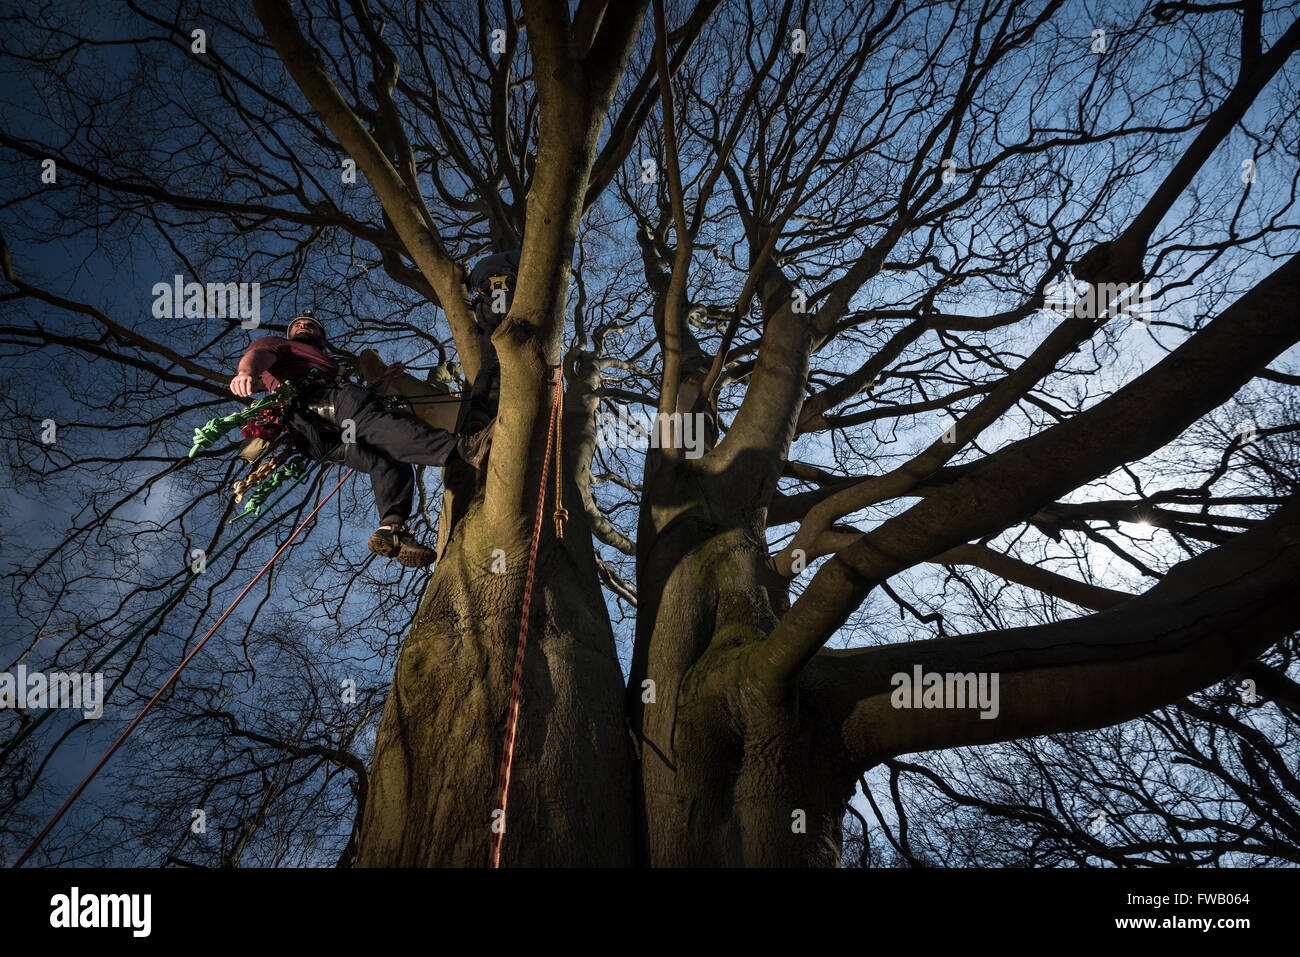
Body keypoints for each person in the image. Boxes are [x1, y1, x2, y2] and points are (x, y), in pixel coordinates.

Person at [229, 313, 494, 569]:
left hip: (316, 437)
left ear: (321, 337)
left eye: (311, 324)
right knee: (378, 423)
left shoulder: (329, 365)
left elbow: (366, 393)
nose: (304, 325)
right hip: (314, 403)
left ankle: (392, 529)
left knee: (387, 459)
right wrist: (246, 372)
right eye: (299, 324)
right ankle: (465, 448)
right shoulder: (280, 344)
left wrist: (387, 379)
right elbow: (258, 354)